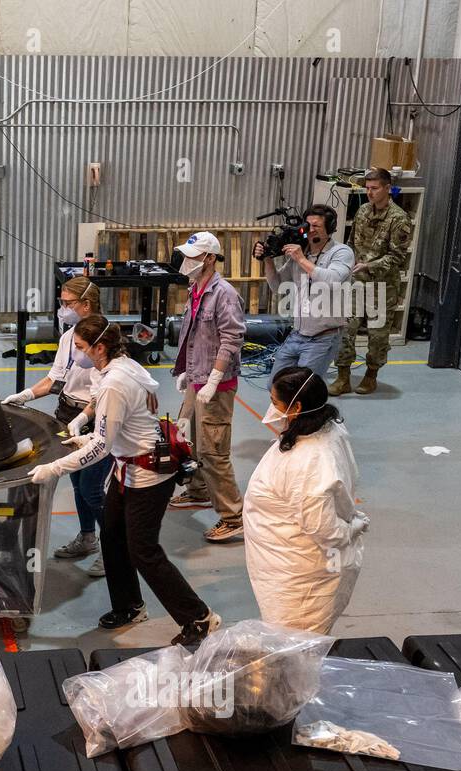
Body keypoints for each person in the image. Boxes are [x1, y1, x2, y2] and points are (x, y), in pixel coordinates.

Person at [28, 316, 221, 646]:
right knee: (114, 535)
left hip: (148, 475)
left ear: (99, 347)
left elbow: (102, 446)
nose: (76, 354)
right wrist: (85, 434)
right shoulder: (120, 366)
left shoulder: (115, 382)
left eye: (80, 348)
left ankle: (198, 616)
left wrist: (55, 468)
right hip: (126, 468)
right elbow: (111, 432)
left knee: (144, 551)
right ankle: (130, 606)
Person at [1, 276, 113, 576]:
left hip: (93, 417)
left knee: (92, 487)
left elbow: (102, 393)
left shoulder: (104, 340)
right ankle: (87, 537)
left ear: (85, 305)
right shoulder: (69, 337)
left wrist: (82, 420)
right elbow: (55, 380)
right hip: (67, 412)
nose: (62, 309)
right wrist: (26, 394)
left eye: (67, 303)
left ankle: (114, 547)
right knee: (77, 481)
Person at [243, 367, 369, 634]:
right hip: (288, 562)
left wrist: (351, 528)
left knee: (294, 647)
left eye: (275, 403)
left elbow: (324, 529)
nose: (270, 410)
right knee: (296, 646)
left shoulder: (309, 462)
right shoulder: (327, 428)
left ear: (296, 407)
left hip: (299, 580)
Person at [167, 231, 247, 543]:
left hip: (217, 384)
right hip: (197, 378)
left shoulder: (224, 294)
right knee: (186, 436)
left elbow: (232, 339)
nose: (186, 262)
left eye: (193, 256)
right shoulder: (196, 289)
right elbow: (195, 335)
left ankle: (233, 516)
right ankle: (198, 490)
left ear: (210, 258)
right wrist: (187, 371)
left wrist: (213, 380)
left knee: (213, 451)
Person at [334, 166, 414, 395]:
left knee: (378, 335)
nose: (369, 193)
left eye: (374, 188)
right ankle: (343, 377)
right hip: (356, 282)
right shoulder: (361, 211)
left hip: (382, 286)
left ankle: (371, 375)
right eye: (367, 188)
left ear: (387, 189)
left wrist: (370, 265)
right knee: (345, 329)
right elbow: (351, 244)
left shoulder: (399, 219)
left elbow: (397, 256)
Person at [256, 203, 355, 379]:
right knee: (275, 384)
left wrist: (301, 258)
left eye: (316, 226)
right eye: (308, 225)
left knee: (303, 388)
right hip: (298, 333)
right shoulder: (303, 253)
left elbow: (332, 279)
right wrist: (268, 258)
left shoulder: (341, 252)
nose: (311, 230)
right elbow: (277, 286)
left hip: (324, 336)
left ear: (329, 228)